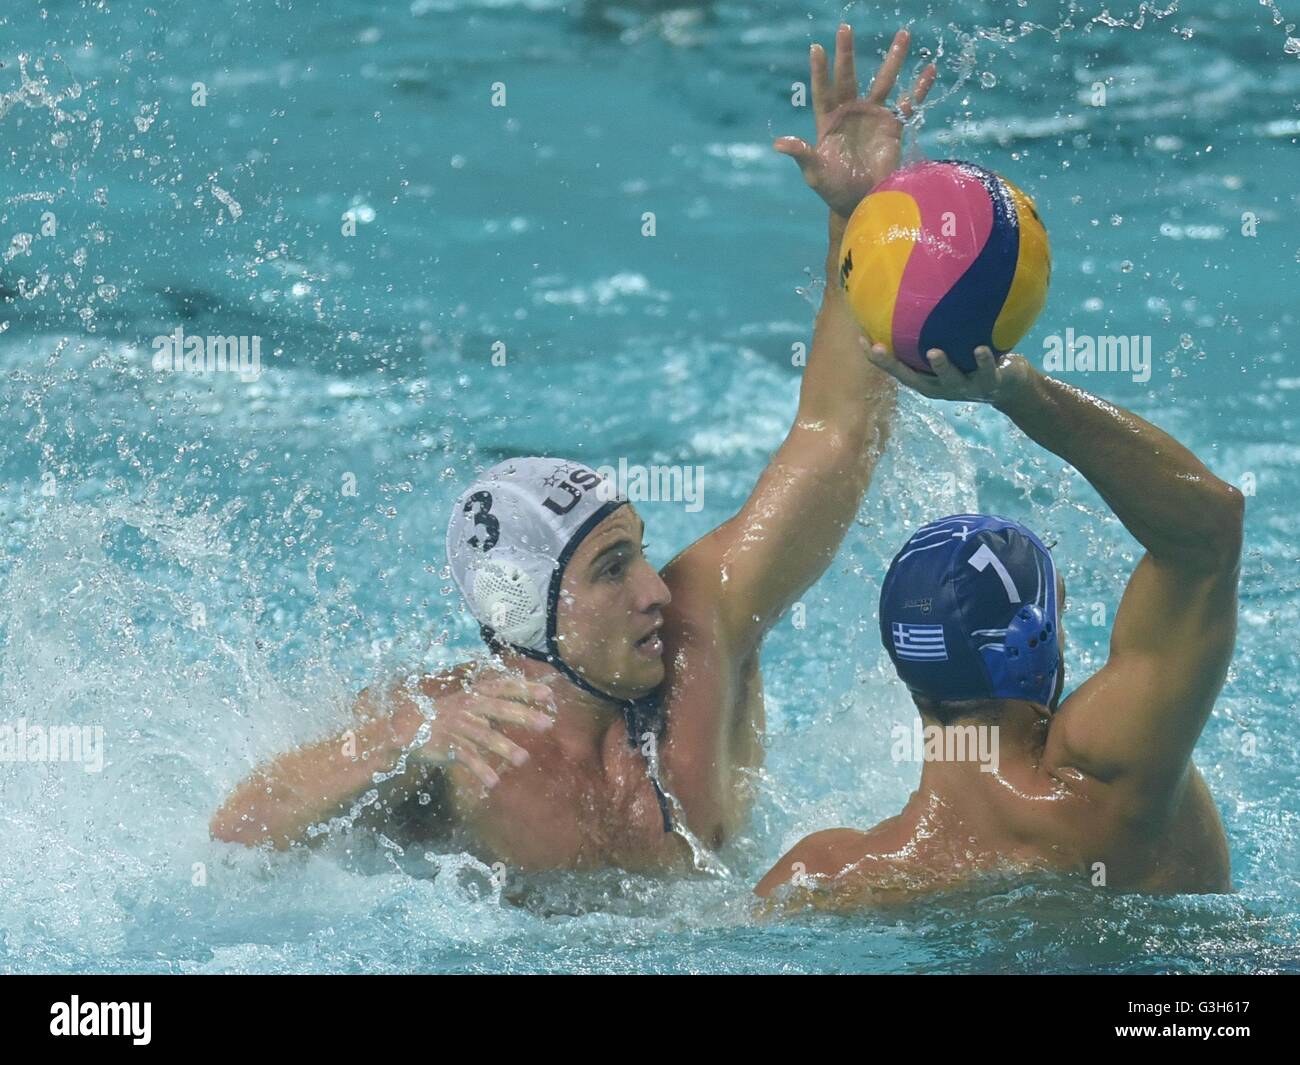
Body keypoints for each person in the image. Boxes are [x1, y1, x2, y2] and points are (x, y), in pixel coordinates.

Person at [210, 26, 938, 872]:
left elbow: (833, 436)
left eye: (638, 551)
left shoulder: (706, 627)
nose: (656, 590)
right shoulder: (460, 749)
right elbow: (238, 834)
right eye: (610, 567)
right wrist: (396, 739)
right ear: (527, 615)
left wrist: (858, 216)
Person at [755, 343, 1243, 908]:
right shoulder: (1102, 784)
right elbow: (1208, 531)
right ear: (1028, 646)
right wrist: (1021, 394)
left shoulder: (828, 875)